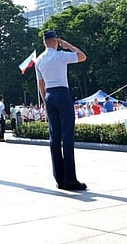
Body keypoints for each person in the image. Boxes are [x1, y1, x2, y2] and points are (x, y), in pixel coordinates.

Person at [35, 30, 87, 191]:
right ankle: (70, 178)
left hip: (49, 95)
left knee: (54, 137)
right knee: (67, 137)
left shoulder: (39, 60)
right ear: (55, 41)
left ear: (44, 42)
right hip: (62, 94)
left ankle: (59, 178)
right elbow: (82, 56)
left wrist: (45, 100)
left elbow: (40, 84)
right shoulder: (61, 56)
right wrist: (68, 45)